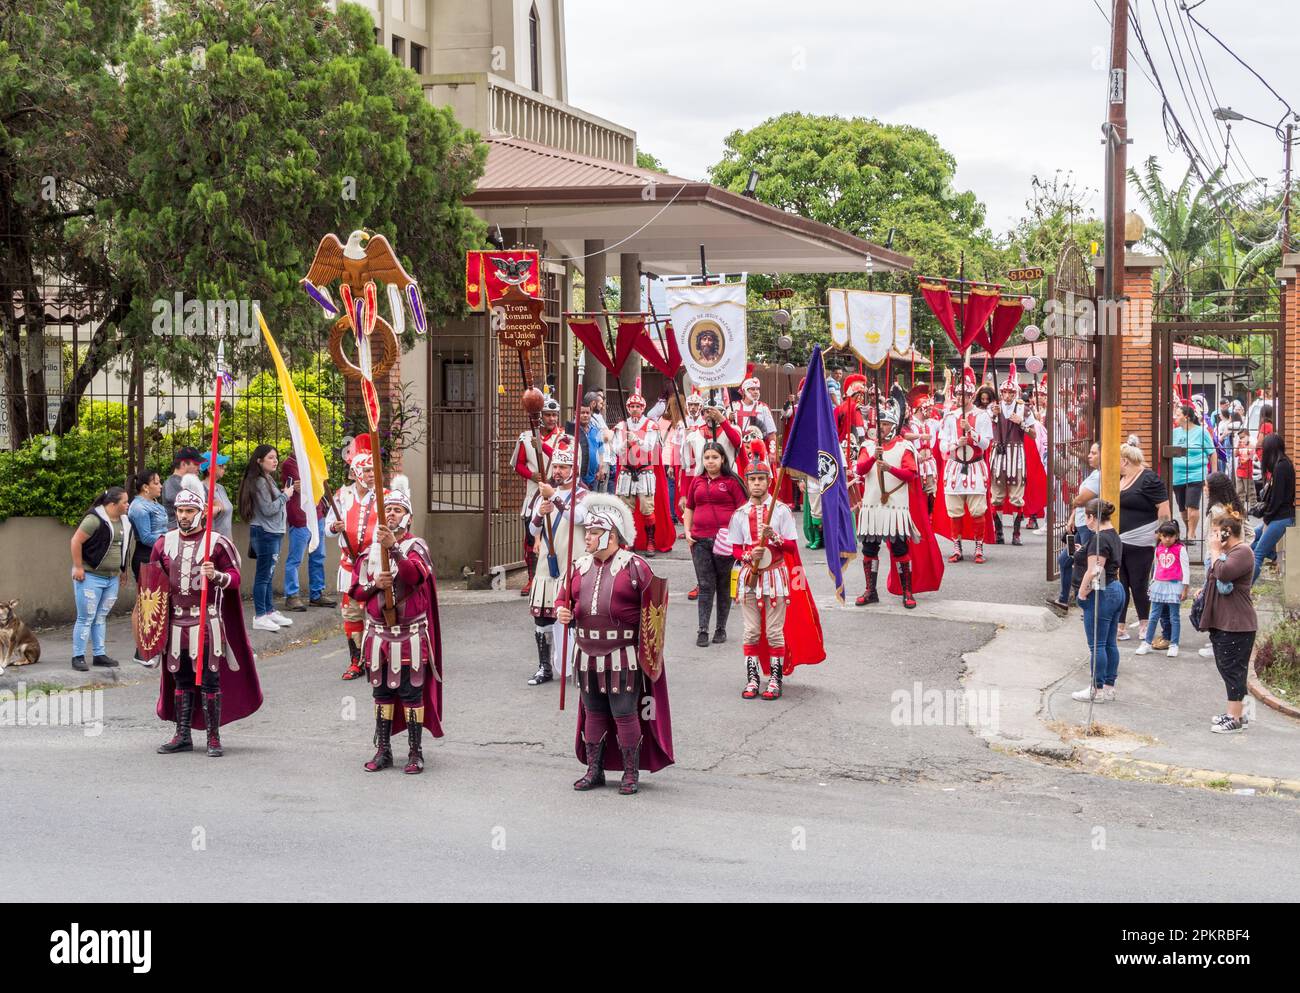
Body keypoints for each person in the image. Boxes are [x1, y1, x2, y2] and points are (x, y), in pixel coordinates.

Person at [555, 493, 674, 796]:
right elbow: (563, 599)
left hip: (624, 654)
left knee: (624, 712)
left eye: (593, 533)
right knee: (593, 711)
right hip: (586, 653)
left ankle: (630, 772)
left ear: (610, 535)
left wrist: (651, 653)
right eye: (588, 532)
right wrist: (563, 610)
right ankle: (593, 770)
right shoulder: (578, 566)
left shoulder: (636, 567)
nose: (588, 538)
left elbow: (655, 610)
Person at [152, 476, 261, 758]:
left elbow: (236, 578)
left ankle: (213, 737)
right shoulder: (164, 543)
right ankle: (182, 734)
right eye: (179, 511)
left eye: (189, 511)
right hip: (176, 622)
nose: (184, 516)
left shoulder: (217, 543)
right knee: (181, 680)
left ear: (200, 512)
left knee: (210, 679)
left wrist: (218, 576)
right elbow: (152, 585)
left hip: (207, 621)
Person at [350, 477, 442, 773]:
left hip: (411, 635)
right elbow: (356, 591)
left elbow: (416, 576)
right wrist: (375, 585)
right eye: (387, 509)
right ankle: (383, 750)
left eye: (398, 510)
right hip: (378, 635)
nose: (391, 514)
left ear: (408, 517)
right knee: (381, 693)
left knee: (411, 692)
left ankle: (415, 753)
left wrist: (396, 550)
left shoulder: (417, 546)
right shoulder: (369, 551)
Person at [726, 449, 829, 700]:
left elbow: (792, 547)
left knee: (774, 631)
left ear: (769, 480)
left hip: (775, 578)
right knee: (751, 630)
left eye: (761, 479)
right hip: (749, 577)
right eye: (752, 479)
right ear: (747, 482)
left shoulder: (781, 510)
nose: (757, 483)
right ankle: (752, 679)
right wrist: (748, 557)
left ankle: (775, 679)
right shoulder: (739, 514)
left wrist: (774, 537)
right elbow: (736, 548)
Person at [852, 398, 936, 609]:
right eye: (878, 424)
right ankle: (871, 590)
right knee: (869, 548)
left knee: (900, 548)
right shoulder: (868, 446)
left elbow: (910, 474)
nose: (881, 428)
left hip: (895, 507)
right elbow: (860, 469)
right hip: (872, 506)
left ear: (892, 425)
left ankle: (907, 591)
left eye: (886, 424)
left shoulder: (904, 446)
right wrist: (873, 458)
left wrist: (889, 468)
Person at [525, 439, 587, 685]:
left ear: (574, 469)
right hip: (546, 563)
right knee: (543, 617)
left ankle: (578, 665)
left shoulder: (584, 495)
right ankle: (544, 666)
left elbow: (579, 517)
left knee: (574, 616)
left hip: (572, 562)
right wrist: (540, 514)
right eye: (557, 466)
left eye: (564, 466)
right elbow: (532, 529)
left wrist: (557, 500)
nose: (558, 471)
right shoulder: (543, 495)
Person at [683, 441, 747, 647]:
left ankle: (721, 628)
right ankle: (702, 629)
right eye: (707, 457)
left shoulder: (732, 482)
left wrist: (739, 537)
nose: (710, 461)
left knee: (723, 585)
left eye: (714, 457)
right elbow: (690, 508)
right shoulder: (697, 482)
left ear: (723, 459)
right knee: (705, 585)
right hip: (699, 540)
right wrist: (687, 531)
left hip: (725, 542)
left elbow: (743, 510)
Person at [327, 437, 380, 680]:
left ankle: (379, 658)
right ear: (356, 471)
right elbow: (327, 527)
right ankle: (356, 660)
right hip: (350, 565)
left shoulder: (382, 494)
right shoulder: (342, 496)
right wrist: (335, 527)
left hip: (376, 564)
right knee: (351, 613)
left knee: (378, 610)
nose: (371, 474)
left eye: (373, 470)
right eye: (367, 470)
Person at [1202, 510, 1257, 733]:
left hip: (1237, 623)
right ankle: (1239, 713)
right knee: (1229, 670)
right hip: (1224, 621)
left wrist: (1215, 551)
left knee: (1233, 670)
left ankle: (1235, 719)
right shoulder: (1230, 552)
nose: (1213, 538)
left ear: (1228, 533)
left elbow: (1223, 573)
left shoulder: (1243, 551)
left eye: (1216, 533)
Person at [69, 486, 132, 672]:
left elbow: (124, 547)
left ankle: (99, 654)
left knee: (100, 617)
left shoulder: (124, 521)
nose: (128, 505)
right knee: (85, 617)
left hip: (111, 578)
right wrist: (78, 567)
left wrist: (123, 570)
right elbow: (75, 541)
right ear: (113, 504)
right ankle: (78, 656)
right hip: (90, 577)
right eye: (125, 502)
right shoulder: (93, 520)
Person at [1070, 499, 1125, 703]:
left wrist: (1082, 592)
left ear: (1093, 517)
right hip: (1116, 589)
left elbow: (1095, 570)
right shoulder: (1114, 535)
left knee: (1097, 645)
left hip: (1102, 592)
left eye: (1087, 517)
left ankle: (1096, 689)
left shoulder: (1099, 539)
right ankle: (1109, 686)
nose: (1086, 522)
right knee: (1110, 643)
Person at [937, 369, 994, 563]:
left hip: (975, 466)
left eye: (966, 395)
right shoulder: (949, 417)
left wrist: (971, 431)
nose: (962, 397)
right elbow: (942, 445)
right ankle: (957, 547)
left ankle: (979, 547)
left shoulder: (983, 416)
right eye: (959, 394)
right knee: (954, 510)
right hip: (955, 466)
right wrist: (955, 445)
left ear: (972, 396)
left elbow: (986, 444)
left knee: (978, 509)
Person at [237, 444, 294, 633]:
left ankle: (269, 611)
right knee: (263, 576)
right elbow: (268, 509)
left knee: (268, 575)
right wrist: (285, 496)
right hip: (265, 533)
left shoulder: (267, 479)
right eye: (270, 457)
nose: (275, 460)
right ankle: (260, 615)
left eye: (276, 457)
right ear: (259, 461)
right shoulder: (259, 482)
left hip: (272, 532)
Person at [512, 394, 565, 597]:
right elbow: (518, 464)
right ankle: (531, 577)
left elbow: (562, 457)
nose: (552, 419)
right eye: (548, 415)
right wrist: (532, 475)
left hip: (555, 489)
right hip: (533, 492)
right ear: (540, 416)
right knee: (530, 536)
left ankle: (554, 574)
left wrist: (542, 446)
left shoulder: (563, 437)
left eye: (554, 415)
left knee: (554, 534)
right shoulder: (526, 437)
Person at [1117, 439, 1169, 644]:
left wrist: (1162, 536)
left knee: (1139, 583)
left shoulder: (1148, 478)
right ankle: (1120, 625)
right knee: (1121, 583)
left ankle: (1144, 623)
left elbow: (1163, 508)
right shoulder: (1120, 479)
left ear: (1125, 461)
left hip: (1141, 540)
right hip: (1120, 540)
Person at [987, 362, 1038, 546]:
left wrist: (1021, 423)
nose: (1007, 396)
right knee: (997, 496)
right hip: (998, 453)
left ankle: (1016, 533)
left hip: (1016, 454)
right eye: (1004, 393)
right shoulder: (993, 408)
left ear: (1015, 393)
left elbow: (1034, 434)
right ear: (1001, 393)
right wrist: (993, 417)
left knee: (1017, 496)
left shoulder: (1024, 409)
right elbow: (986, 431)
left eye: (1010, 393)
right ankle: (999, 531)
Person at [1048, 442, 1099, 614]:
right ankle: (1064, 599)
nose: (1090, 456)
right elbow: (1079, 502)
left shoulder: (1101, 476)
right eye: (1090, 452)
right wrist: (1072, 516)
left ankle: (1086, 603)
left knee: (1085, 563)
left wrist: (1075, 502)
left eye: (1094, 453)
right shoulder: (1094, 473)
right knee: (1065, 560)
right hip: (1079, 525)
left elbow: (1082, 499)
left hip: (1088, 527)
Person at [612, 384, 663, 556]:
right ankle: (629, 540)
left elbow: (650, 447)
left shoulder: (650, 425)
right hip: (627, 471)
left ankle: (650, 540)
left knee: (647, 509)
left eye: (638, 407)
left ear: (643, 408)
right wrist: (625, 443)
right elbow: (616, 450)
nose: (634, 409)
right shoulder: (621, 426)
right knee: (626, 509)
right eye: (632, 407)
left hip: (644, 471)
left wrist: (637, 440)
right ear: (628, 408)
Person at [279, 453, 331, 611]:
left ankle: (317, 594)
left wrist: (312, 484)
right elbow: (306, 487)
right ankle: (292, 595)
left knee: (318, 556)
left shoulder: (311, 459)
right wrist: (312, 484)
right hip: (300, 517)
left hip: (318, 515)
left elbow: (316, 484)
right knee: (295, 559)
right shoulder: (290, 464)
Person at [128, 469, 168, 667]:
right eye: (157, 483)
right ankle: (141, 650)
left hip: (159, 555)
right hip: (146, 557)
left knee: (155, 603)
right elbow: (145, 537)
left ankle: (153, 644)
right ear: (145, 487)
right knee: (144, 604)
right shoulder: (139, 507)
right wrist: (167, 541)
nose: (161, 486)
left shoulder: (154, 503)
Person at [1135, 520, 1188, 658]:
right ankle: (1147, 642)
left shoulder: (1180, 549)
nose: (1167, 539)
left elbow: (1186, 569)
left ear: (1176, 536)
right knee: (1153, 616)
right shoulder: (1158, 548)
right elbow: (1157, 566)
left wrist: (1185, 588)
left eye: (1171, 536)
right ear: (1160, 536)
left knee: (1174, 617)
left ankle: (1174, 644)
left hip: (1174, 585)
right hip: (1158, 584)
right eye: (1164, 536)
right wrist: (1152, 582)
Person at [1252, 433, 1295, 581]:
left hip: (1281, 517)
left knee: (1258, 554)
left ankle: (1243, 592)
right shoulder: (1281, 464)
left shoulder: (1281, 467)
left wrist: (1266, 520)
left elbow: (1277, 499)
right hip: (1277, 516)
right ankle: (1276, 557)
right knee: (1250, 539)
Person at [1171, 403, 1216, 540]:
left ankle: (1190, 535)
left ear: (1187, 417)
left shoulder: (1201, 432)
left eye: (1178, 415)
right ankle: (1189, 529)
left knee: (1192, 506)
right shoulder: (1174, 432)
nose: (1175, 417)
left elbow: (1212, 453)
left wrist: (1213, 475)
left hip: (1196, 474)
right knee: (1183, 509)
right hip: (1178, 475)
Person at [161, 446, 203, 529]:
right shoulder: (173, 483)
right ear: (183, 464)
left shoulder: (192, 482)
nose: (199, 468)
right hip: (178, 535)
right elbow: (198, 505)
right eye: (196, 464)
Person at [199, 450, 233, 540]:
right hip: (212, 541)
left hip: (225, 540)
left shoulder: (221, 488)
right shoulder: (201, 488)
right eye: (220, 465)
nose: (224, 467)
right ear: (210, 469)